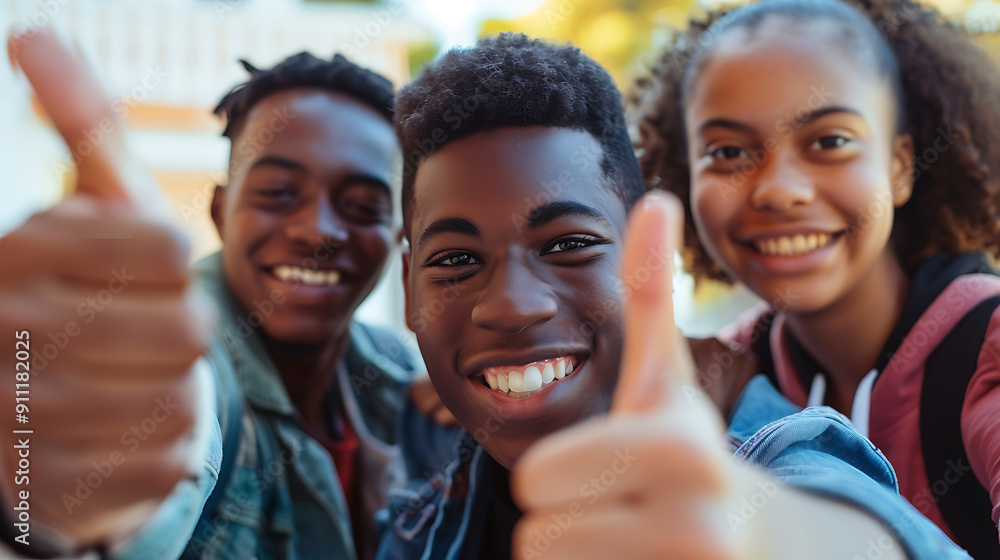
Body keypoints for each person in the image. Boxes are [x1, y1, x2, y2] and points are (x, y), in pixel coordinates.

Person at [375, 32, 970, 559]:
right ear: (408, 286)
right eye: (456, 261)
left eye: (568, 245)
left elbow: (848, 519)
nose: (510, 305)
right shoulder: (425, 511)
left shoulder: (764, 454)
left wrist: (766, 533)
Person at [0, 31, 447, 560]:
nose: (317, 231)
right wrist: (46, 504)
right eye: (278, 193)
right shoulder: (185, 367)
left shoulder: (402, 373)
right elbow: (162, 446)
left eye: (361, 204)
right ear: (220, 211)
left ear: (399, 232)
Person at [632, 0, 1000, 555]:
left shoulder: (984, 350)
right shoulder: (736, 366)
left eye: (829, 141)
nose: (778, 189)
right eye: (728, 152)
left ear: (900, 167)